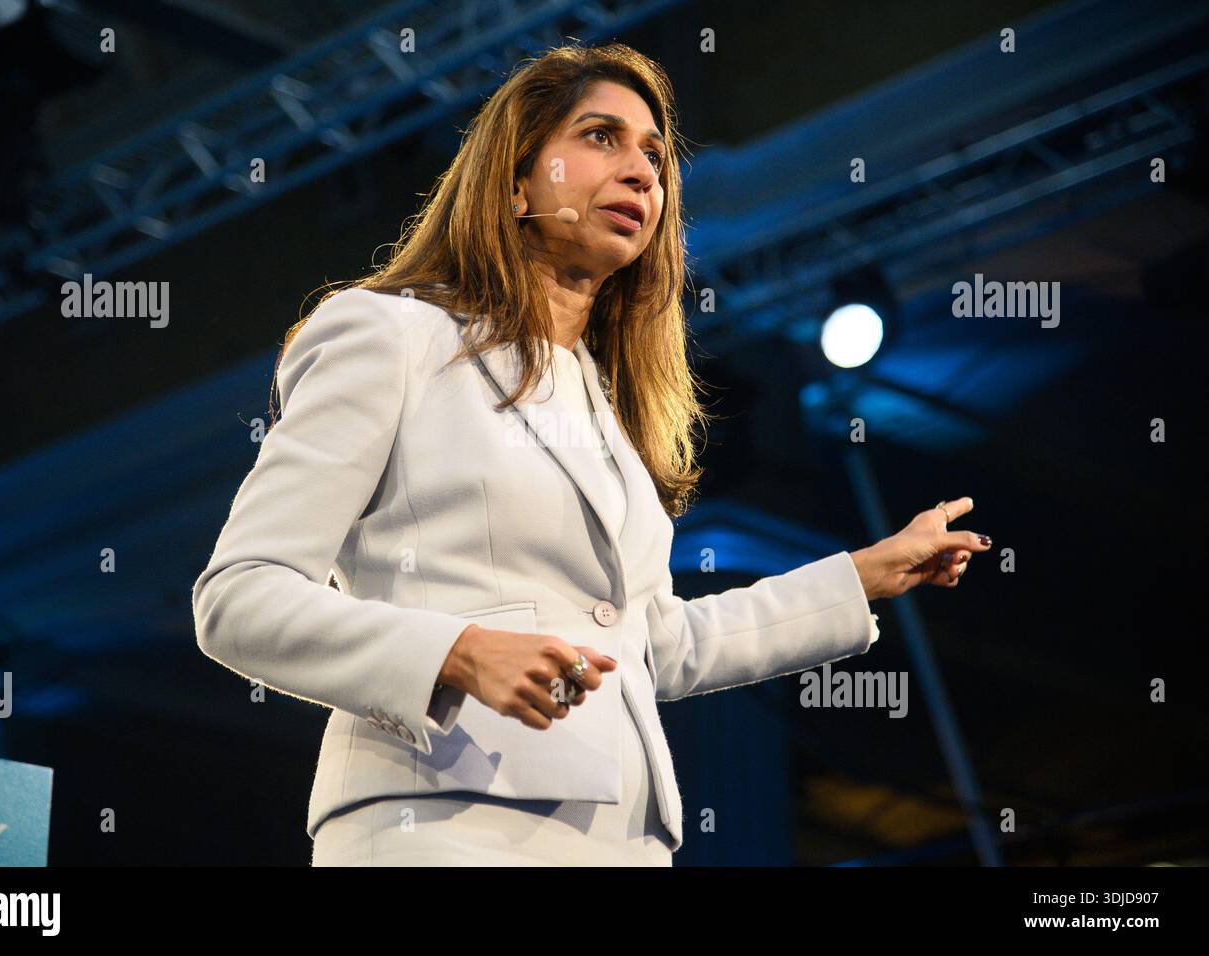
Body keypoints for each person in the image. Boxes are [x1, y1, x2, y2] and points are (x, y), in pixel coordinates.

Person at [191, 41, 992, 866]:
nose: (643, 172)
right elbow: (241, 599)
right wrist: (456, 653)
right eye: (601, 137)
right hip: (438, 825)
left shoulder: (605, 406)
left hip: (620, 841)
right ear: (515, 179)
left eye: (653, 153)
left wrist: (861, 574)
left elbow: (657, 647)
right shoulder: (391, 335)